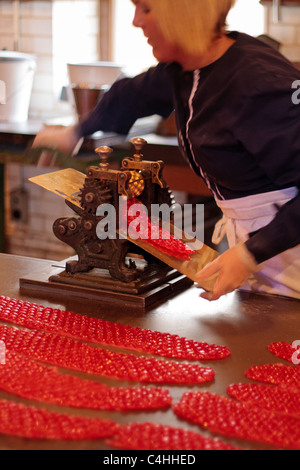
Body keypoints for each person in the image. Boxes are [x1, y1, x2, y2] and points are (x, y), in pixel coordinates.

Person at [33, 0, 300, 301]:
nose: (136, 21)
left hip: (289, 245)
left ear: (182, 13)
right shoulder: (188, 68)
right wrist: (74, 133)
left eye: (146, 9)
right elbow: (131, 94)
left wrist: (253, 253)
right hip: (257, 242)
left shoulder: (258, 81)